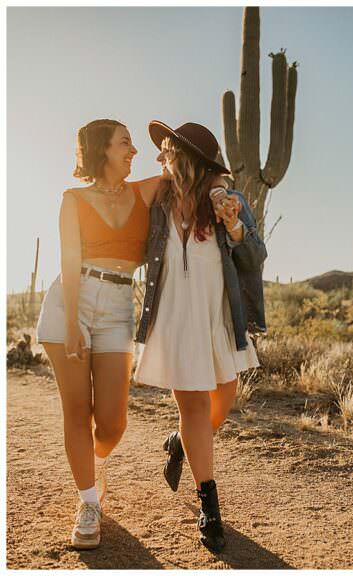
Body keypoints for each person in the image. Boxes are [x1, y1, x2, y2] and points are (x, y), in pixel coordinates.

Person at [134, 121, 266, 552]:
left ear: (189, 159)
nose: (160, 159)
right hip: (174, 316)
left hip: (217, 316)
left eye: (167, 151)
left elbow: (255, 256)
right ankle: (209, 502)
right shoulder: (160, 201)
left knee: (224, 396)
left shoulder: (229, 201)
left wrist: (235, 227)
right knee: (192, 405)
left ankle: (180, 442)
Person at [36, 119, 159, 549]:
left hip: (119, 306)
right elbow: (70, 259)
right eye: (125, 142)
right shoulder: (73, 200)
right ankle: (88, 504)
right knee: (77, 410)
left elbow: (189, 167)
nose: (133, 151)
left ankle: (95, 463)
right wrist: (71, 324)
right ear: (102, 149)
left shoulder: (143, 192)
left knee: (112, 420)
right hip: (72, 301)